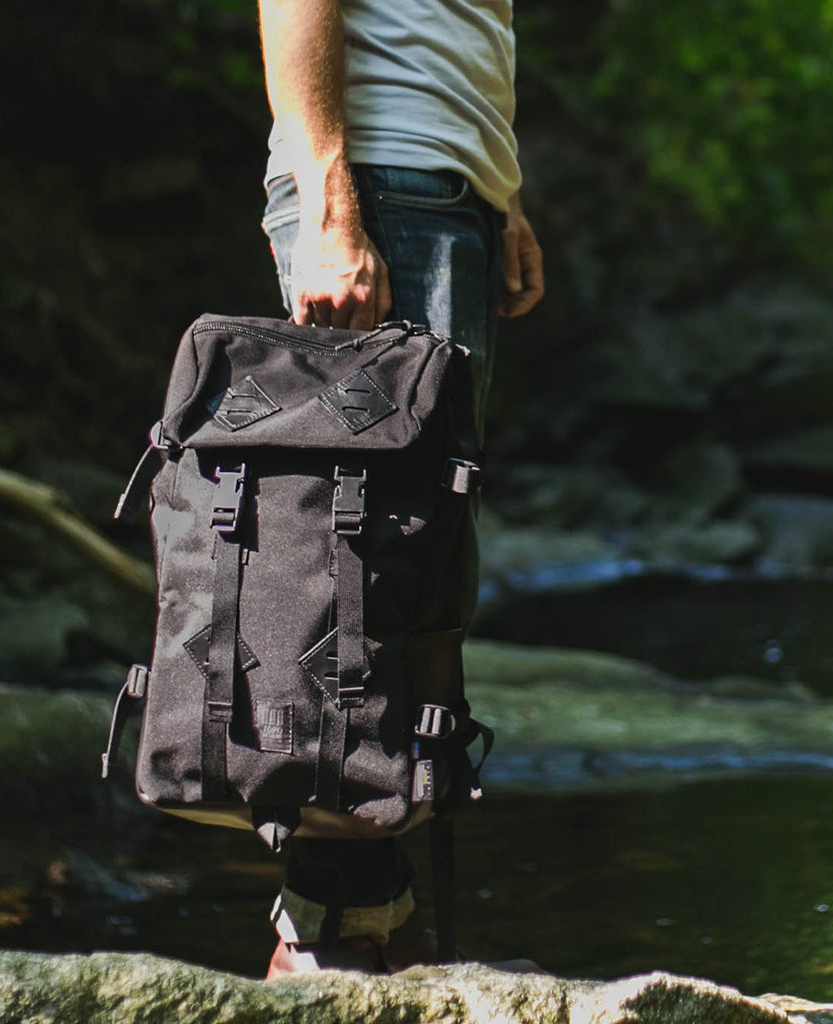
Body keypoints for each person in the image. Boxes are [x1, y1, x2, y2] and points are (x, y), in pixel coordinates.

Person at [256, 0, 544, 977]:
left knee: (416, 576)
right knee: (362, 576)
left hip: (439, 193)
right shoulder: (359, 192)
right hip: (381, 186)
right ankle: (324, 931)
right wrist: (331, 202)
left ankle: (375, 916)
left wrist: (499, 192)